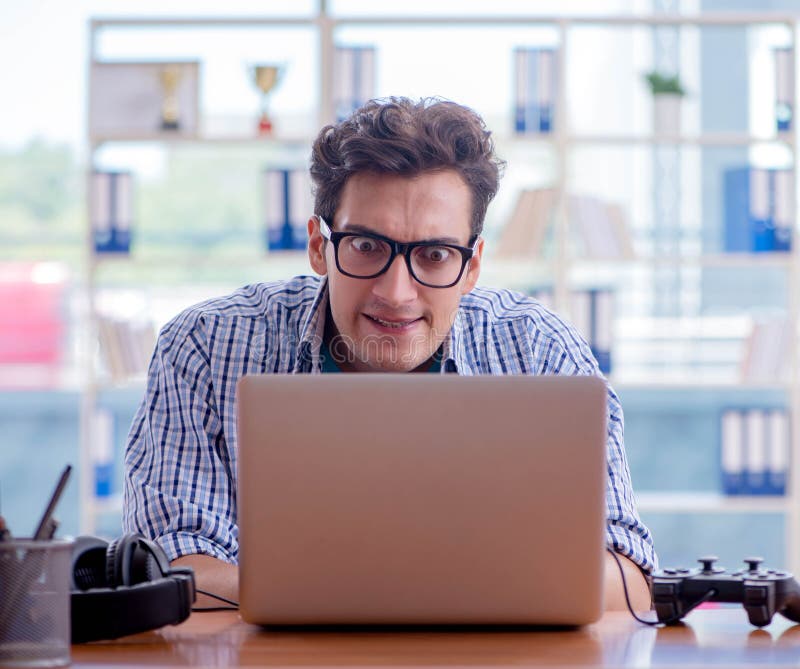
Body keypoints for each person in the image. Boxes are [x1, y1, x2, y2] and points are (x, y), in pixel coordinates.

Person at [123, 97, 656, 611]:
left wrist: (345, 593)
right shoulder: (204, 346)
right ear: (319, 246)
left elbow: (629, 574)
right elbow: (170, 568)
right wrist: (425, 593)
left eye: (435, 254)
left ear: (471, 267)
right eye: (366, 247)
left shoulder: (540, 353)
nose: (396, 293)